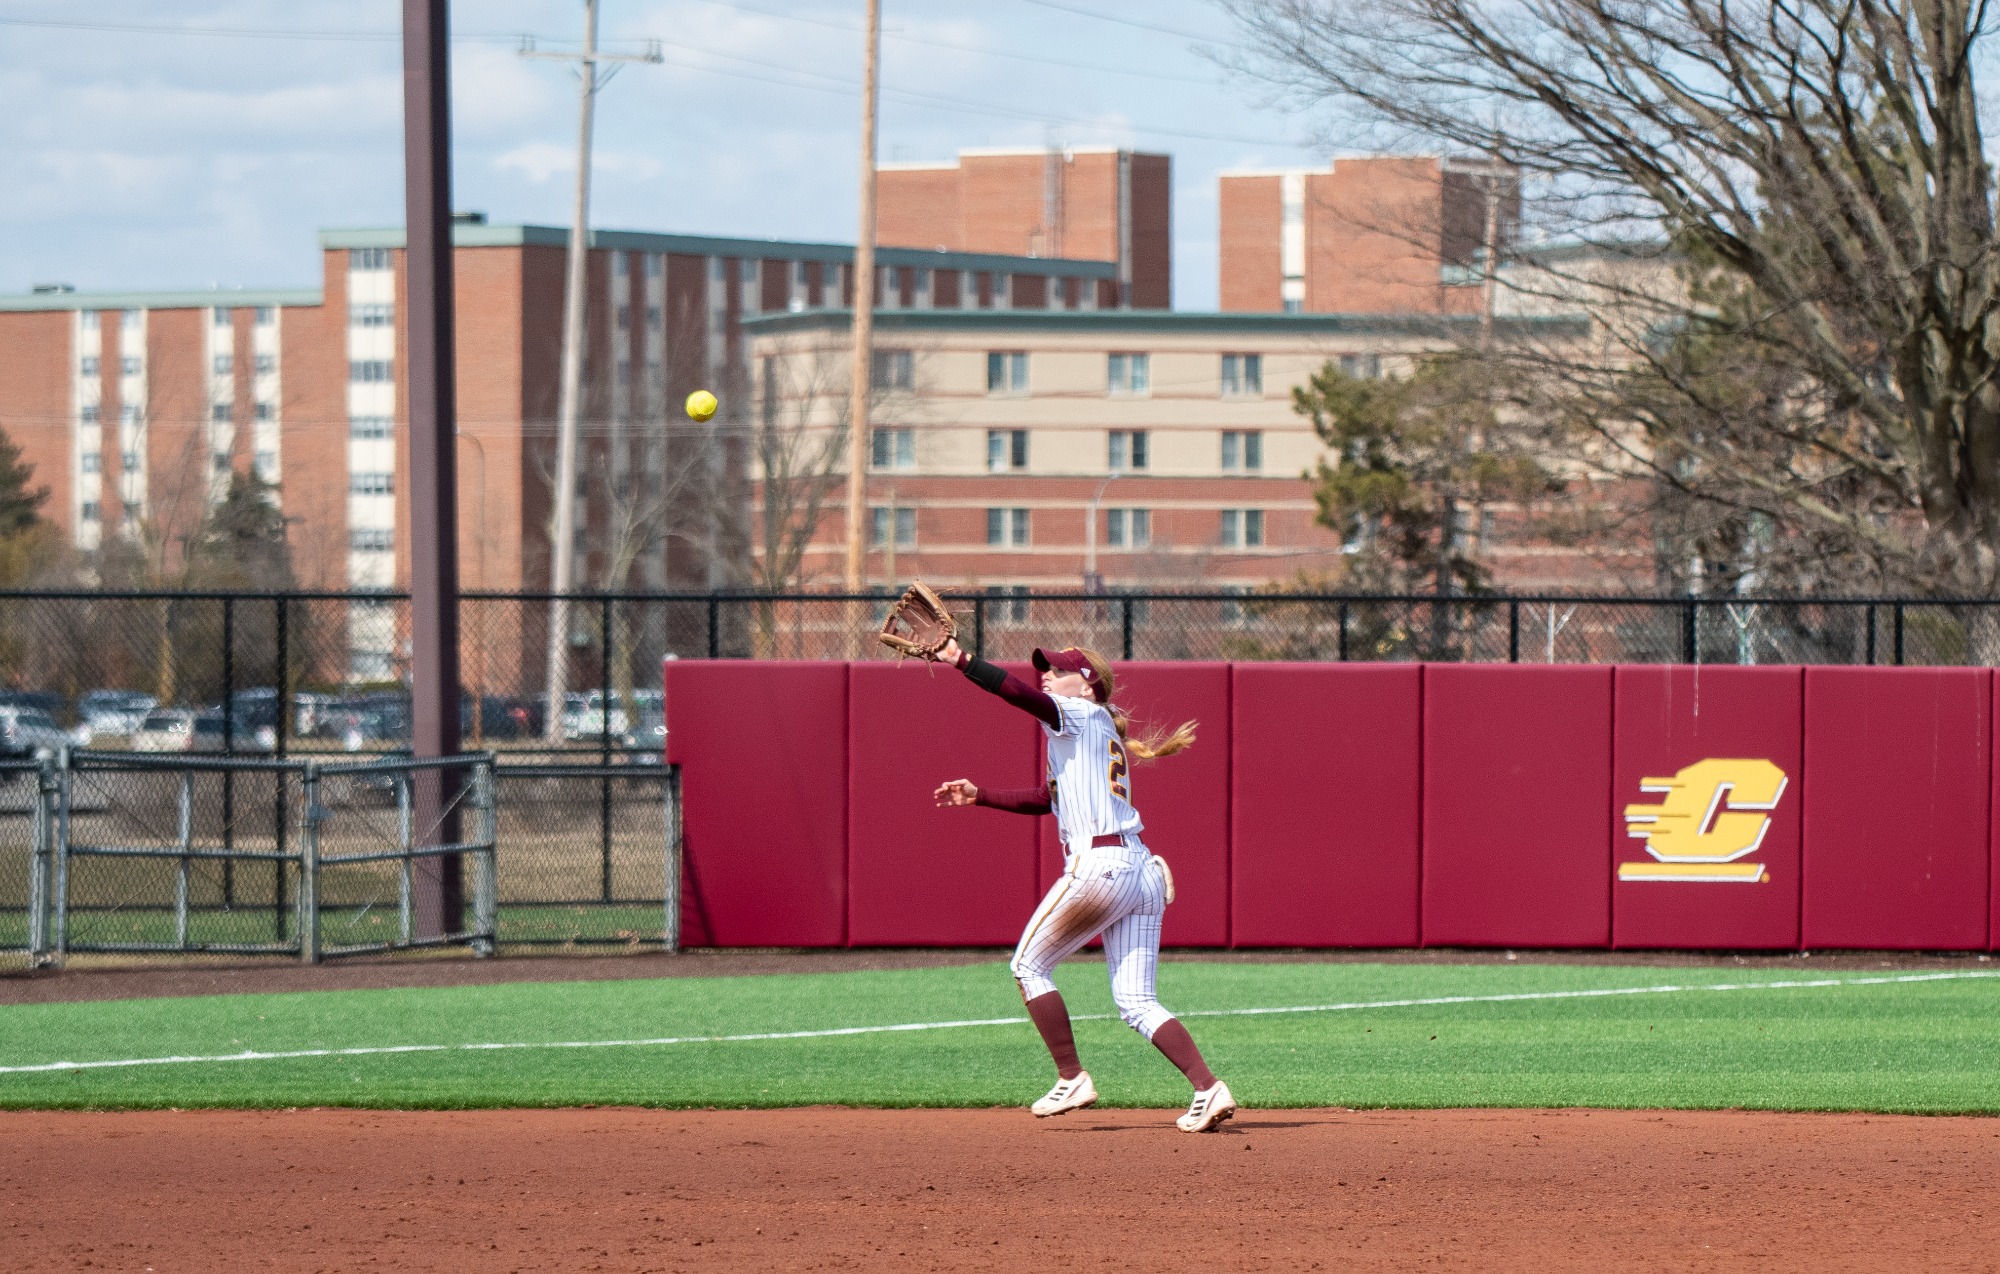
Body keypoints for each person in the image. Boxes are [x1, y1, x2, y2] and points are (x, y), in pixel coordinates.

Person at [931, 638, 1236, 1133]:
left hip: (1101, 866)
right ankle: (1208, 1087)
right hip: (1139, 869)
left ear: (1086, 683)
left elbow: (1016, 694)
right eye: (1044, 669)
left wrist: (960, 659)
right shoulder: (1090, 731)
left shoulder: (1076, 713)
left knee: (1028, 966)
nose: (1045, 675)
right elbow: (1046, 799)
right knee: (1137, 1002)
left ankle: (1071, 1077)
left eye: (1056, 668)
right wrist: (981, 795)